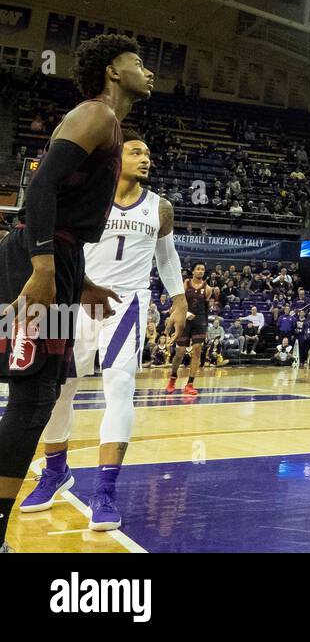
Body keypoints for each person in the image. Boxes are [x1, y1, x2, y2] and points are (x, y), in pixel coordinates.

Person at [0, 34, 151, 554]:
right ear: (112, 71)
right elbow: (39, 190)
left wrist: (76, 279)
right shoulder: (96, 117)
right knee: (31, 394)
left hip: (59, 262)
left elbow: (64, 211)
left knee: (40, 392)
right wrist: (43, 269)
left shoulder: (109, 124)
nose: (147, 71)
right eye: (137, 62)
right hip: (36, 259)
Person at [20, 131, 187, 533]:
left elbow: (167, 256)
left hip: (128, 303)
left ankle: (105, 490)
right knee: (58, 389)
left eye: (148, 152)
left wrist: (179, 299)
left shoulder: (160, 208)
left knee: (120, 385)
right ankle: (56, 471)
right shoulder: (88, 195)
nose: (145, 158)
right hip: (75, 297)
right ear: (116, 158)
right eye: (135, 152)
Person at [165, 264, 210, 397]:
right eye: (198, 269)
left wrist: (205, 326)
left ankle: (190, 384)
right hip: (184, 319)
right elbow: (179, 303)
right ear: (193, 271)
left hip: (199, 321)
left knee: (197, 350)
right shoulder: (185, 284)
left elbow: (206, 309)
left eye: (202, 269)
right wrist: (184, 314)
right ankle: (173, 378)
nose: (200, 271)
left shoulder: (207, 288)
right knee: (180, 352)